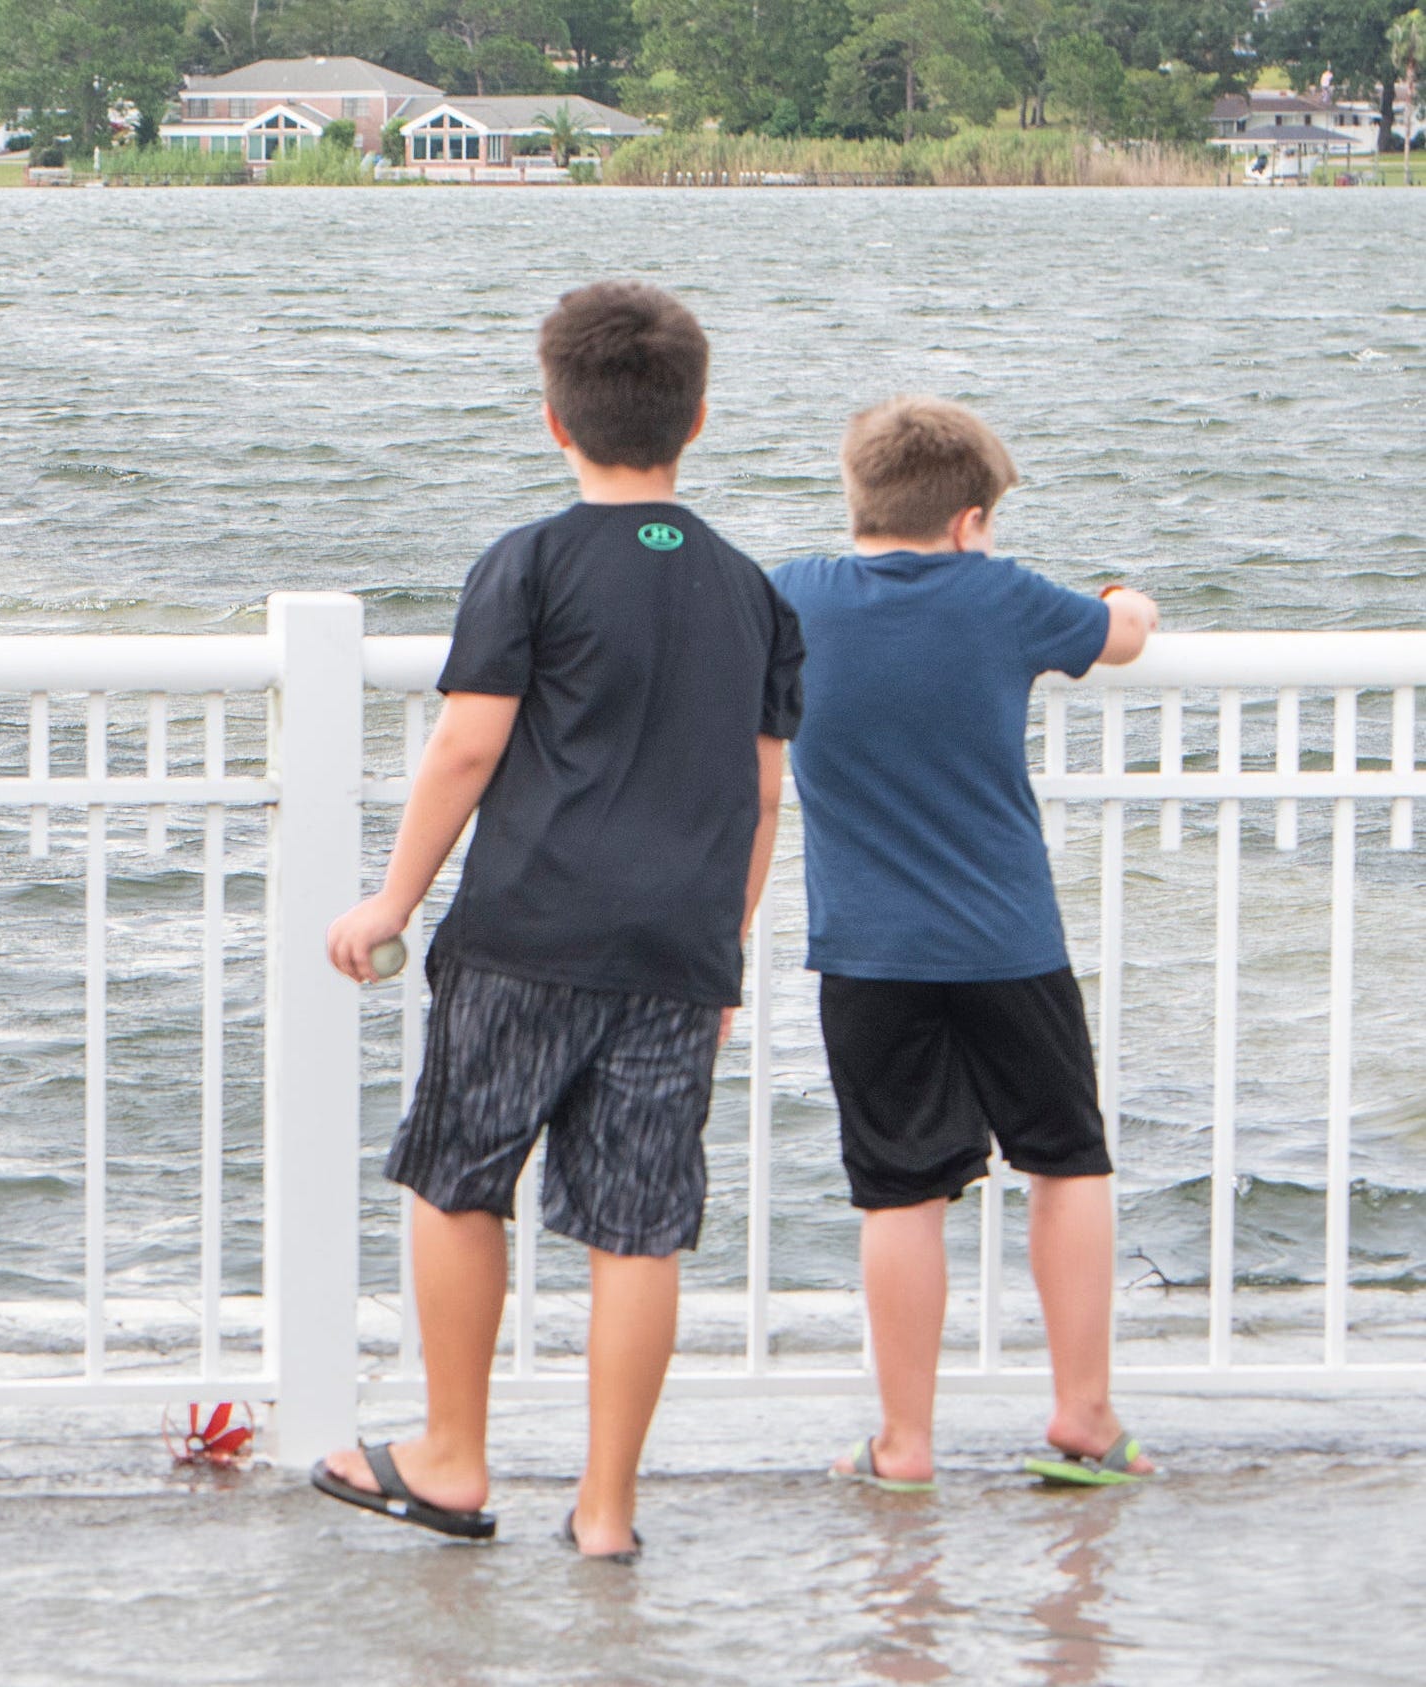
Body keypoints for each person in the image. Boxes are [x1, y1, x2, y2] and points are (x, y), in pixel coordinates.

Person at [311, 282, 803, 1562]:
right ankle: (604, 1512)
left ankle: (453, 1459)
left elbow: (468, 746)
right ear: (693, 419)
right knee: (636, 1226)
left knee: (459, 1179)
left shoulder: (526, 563)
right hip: (676, 956)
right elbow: (760, 795)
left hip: (526, 933)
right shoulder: (753, 592)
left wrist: (391, 898)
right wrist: (724, 951)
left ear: (551, 421)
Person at [772, 398, 1161, 1494]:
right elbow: (1122, 634)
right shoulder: (1001, 595)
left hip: (864, 949)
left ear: (858, 500)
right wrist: (1122, 595)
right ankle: (1081, 1412)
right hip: (1006, 937)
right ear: (969, 518)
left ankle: (902, 1442)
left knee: (896, 1192)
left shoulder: (793, 595)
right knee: (1063, 1160)